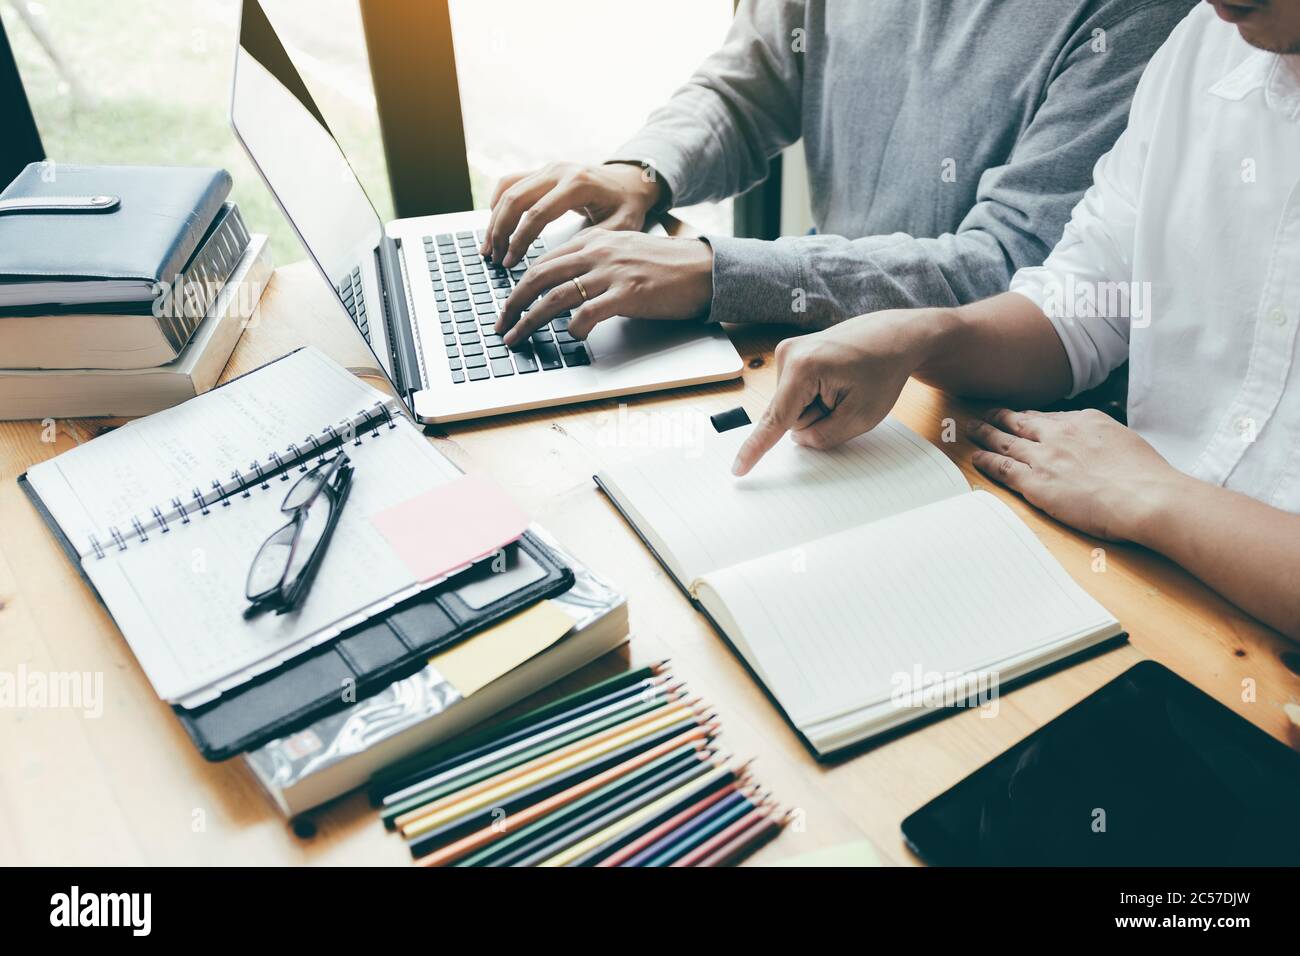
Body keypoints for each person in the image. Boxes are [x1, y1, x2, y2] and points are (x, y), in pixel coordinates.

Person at [732, 0, 1300, 641]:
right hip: (1143, 581)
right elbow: (1084, 303)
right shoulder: (1201, 46)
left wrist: (1161, 498)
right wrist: (922, 336)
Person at [481, 0, 1196, 348]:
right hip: (811, 325)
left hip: (967, 399)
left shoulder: (1144, 18)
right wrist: (645, 172)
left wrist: (715, 271)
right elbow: (750, 84)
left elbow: (1011, 272)